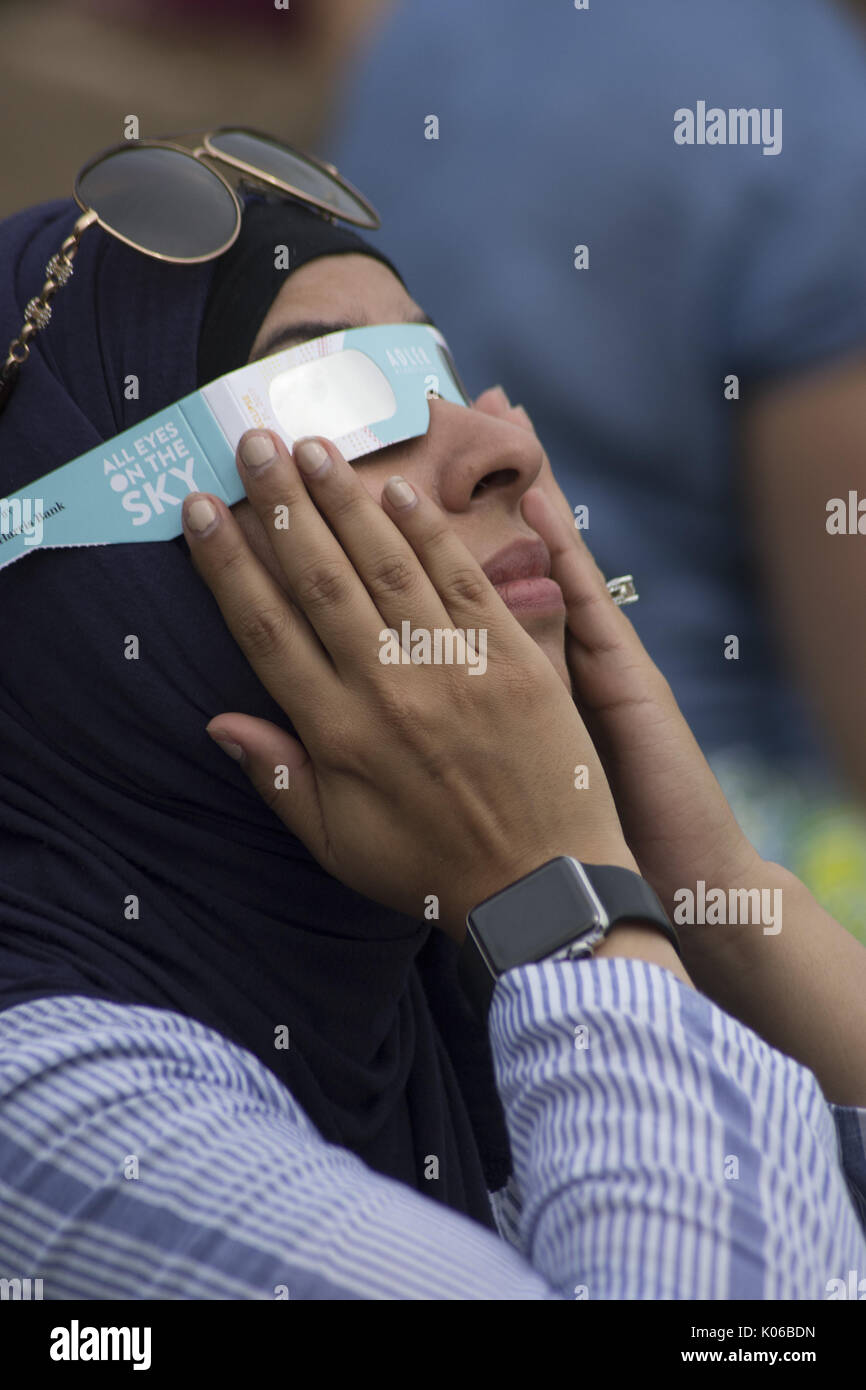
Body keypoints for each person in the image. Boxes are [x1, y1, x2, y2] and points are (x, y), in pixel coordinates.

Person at [0, 190, 864, 1300]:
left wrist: (709, 888)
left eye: (440, 378)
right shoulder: (56, 1122)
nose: (505, 446)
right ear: (101, 580)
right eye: (335, 399)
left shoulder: (431, 1006)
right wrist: (561, 899)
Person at [328, 0, 866, 940]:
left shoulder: (418, 31)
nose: (507, 446)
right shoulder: (815, 117)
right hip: (705, 833)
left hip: (415, 780)